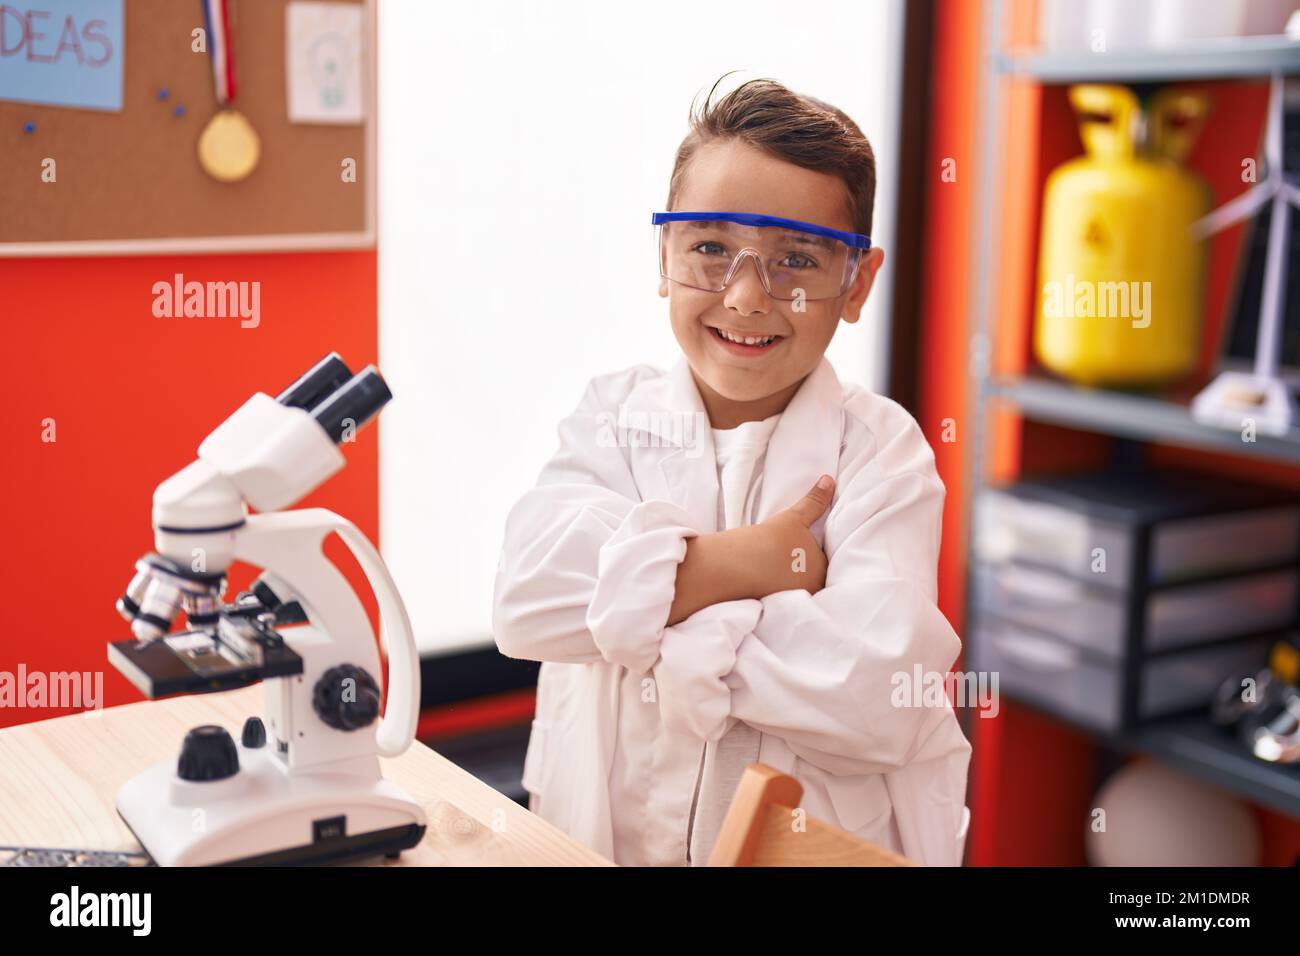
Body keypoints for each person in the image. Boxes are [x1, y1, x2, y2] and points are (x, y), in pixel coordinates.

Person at [492, 77, 971, 866]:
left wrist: (642, 615)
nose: (748, 296)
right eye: (711, 248)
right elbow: (526, 601)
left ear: (857, 282)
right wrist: (743, 565)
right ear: (664, 255)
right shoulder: (611, 417)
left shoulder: (882, 453)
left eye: (797, 260)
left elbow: (877, 693)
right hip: (596, 843)